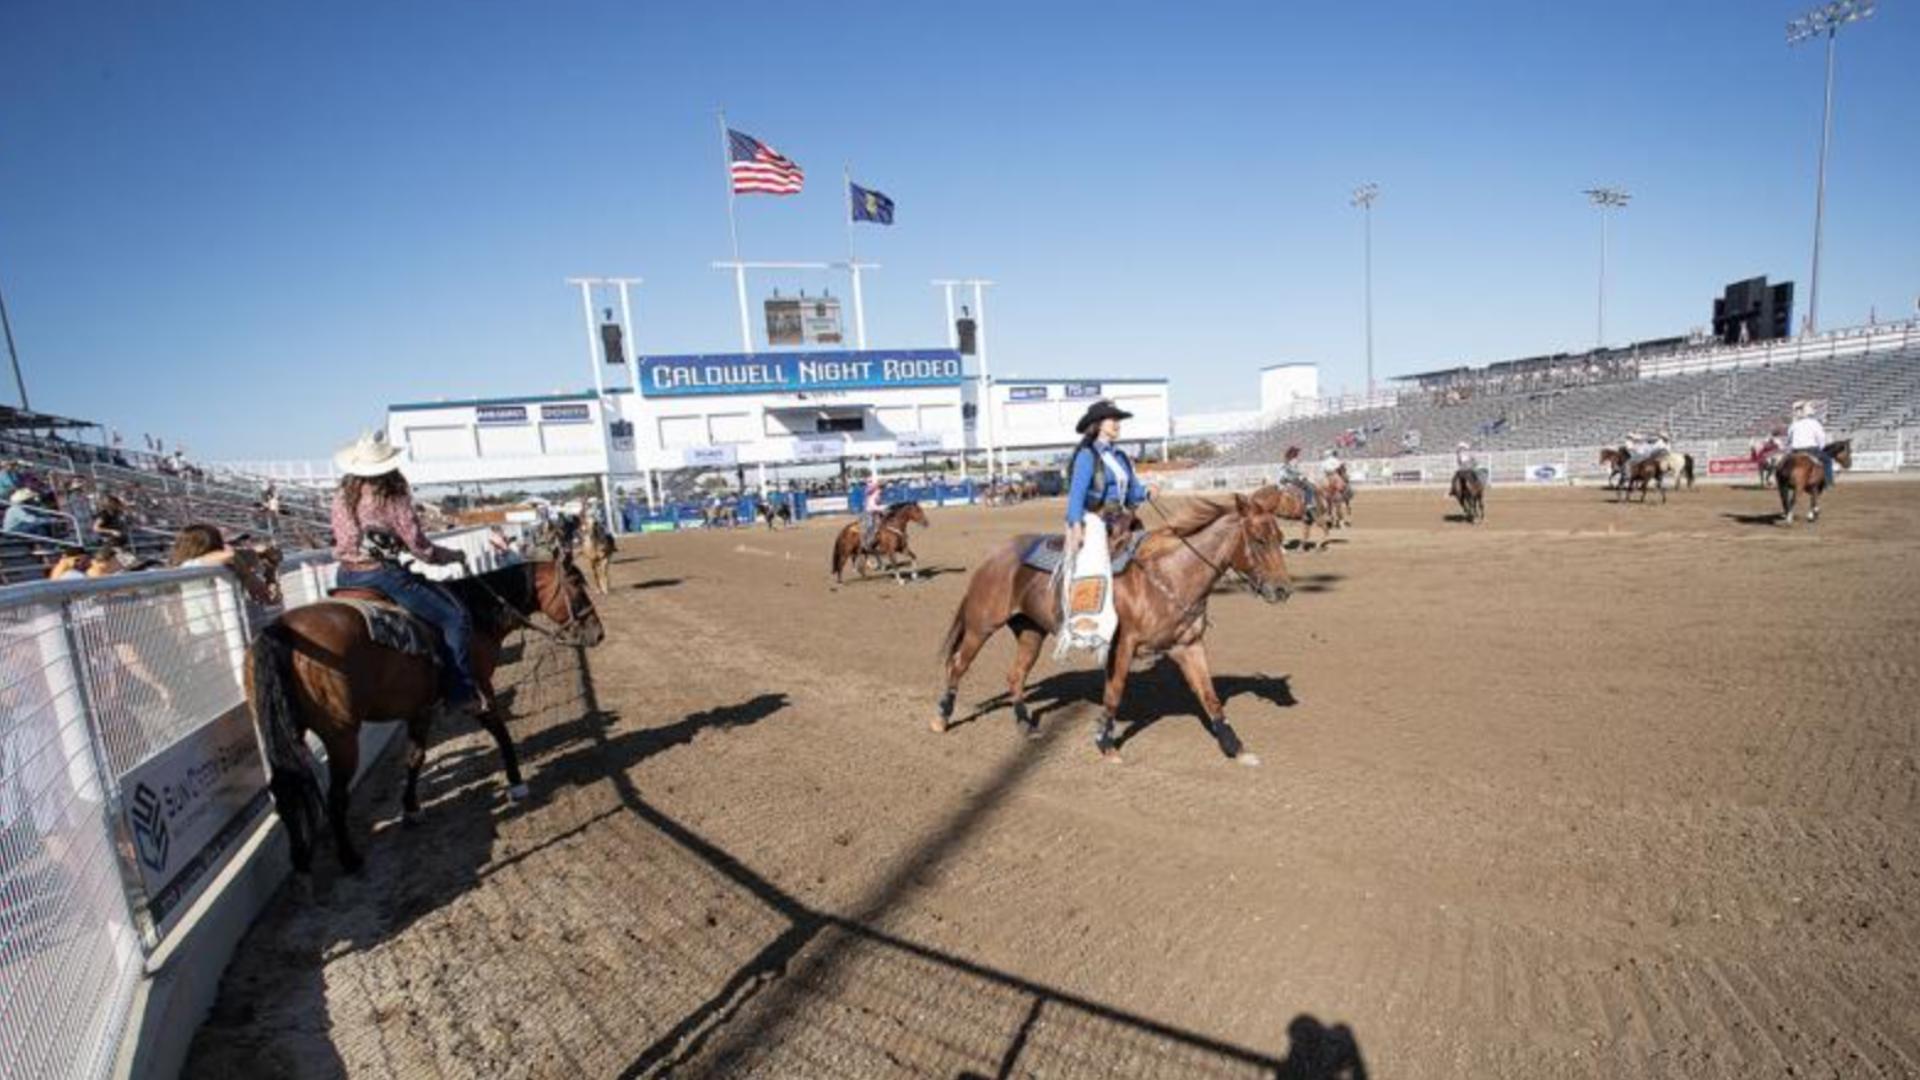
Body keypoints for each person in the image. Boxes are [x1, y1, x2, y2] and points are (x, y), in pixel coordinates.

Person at [329, 431, 481, 717]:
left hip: (345, 575)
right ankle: (460, 693)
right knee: (455, 618)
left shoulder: (341, 496)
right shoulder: (393, 496)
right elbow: (420, 548)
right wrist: (450, 556)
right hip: (381, 575)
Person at [1058, 399, 1153, 660]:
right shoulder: (1087, 455)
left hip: (1123, 521)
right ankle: (1087, 628)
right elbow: (1076, 494)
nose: (1117, 424)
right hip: (1095, 520)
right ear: (1099, 425)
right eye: (1113, 420)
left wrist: (1147, 492)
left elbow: (1133, 490)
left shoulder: (1120, 456)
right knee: (1094, 565)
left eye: (1118, 420)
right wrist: (1076, 525)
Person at [1785, 402, 1832, 486]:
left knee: (1785, 462)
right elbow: (1821, 437)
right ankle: (1828, 481)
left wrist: (1789, 449)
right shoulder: (1815, 423)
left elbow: (1788, 439)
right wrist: (1821, 448)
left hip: (1796, 450)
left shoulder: (1794, 424)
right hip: (1811, 449)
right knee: (1827, 460)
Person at [1277, 446, 1318, 520]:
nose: (1298, 454)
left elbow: (1288, 471)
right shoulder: (1293, 461)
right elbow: (1295, 471)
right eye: (1297, 452)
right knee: (1309, 488)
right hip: (1292, 480)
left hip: (1285, 480)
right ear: (1294, 453)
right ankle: (1309, 505)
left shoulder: (1286, 460)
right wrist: (1302, 475)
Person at [860, 471, 887, 552]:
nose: (883, 488)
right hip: (869, 510)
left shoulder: (878, 492)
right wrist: (881, 508)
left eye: (883, 486)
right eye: (882, 486)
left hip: (874, 510)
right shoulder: (872, 490)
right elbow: (871, 504)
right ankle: (866, 542)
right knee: (870, 525)